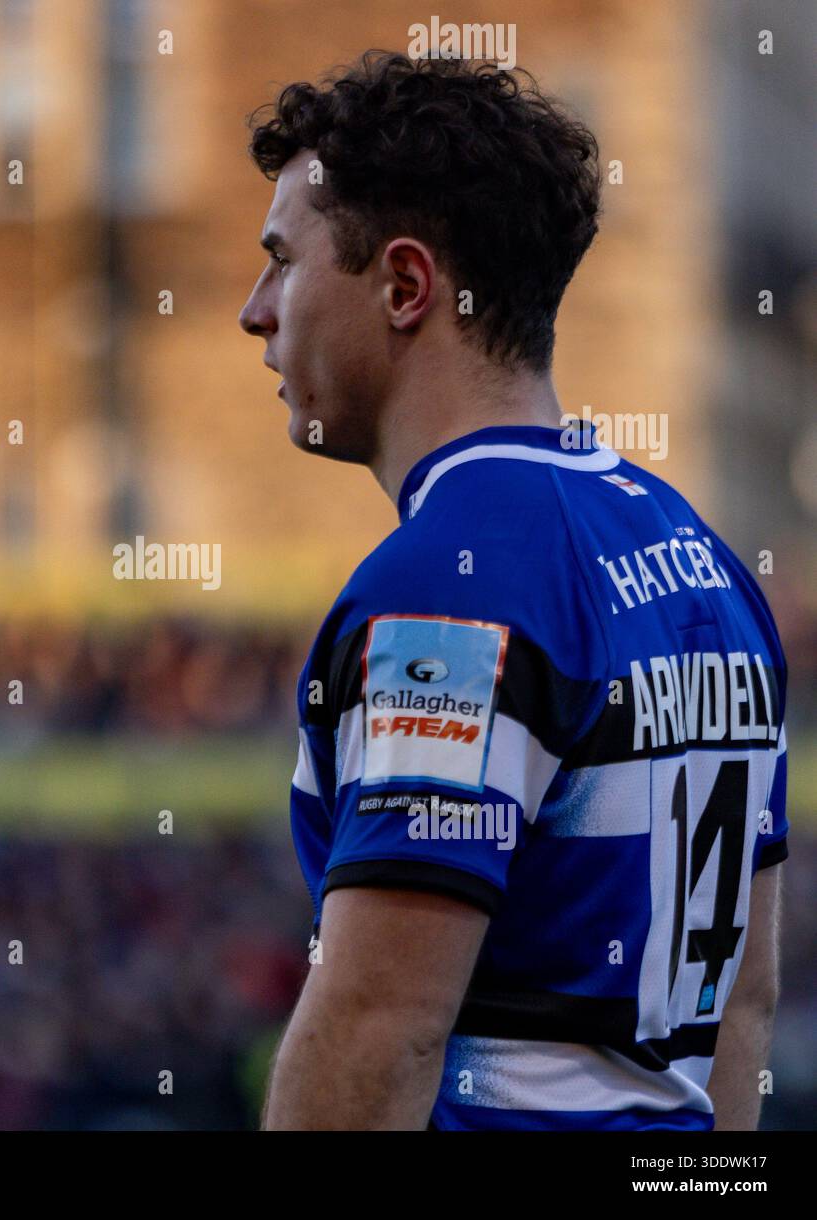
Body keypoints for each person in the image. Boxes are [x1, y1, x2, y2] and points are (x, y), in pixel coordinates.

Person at [238, 51, 787, 1131]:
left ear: (405, 286)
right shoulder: (710, 564)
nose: (253, 312)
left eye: (278, 263)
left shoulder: (442, 594)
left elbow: (379, 1026)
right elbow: (742, 1007)